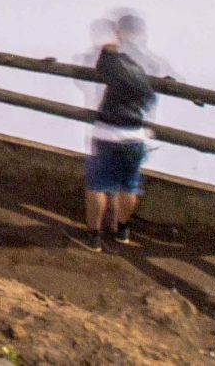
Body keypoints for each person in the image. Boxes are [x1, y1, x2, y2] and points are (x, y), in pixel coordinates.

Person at [76, 13, 160, 252]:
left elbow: (106, 58)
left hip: (107, 134)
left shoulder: (115, 61)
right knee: (128, 186)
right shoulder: (147, 67)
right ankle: (122, 230)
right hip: (135, 135)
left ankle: (94, 237)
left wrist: (111, 39)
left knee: (97, 185)